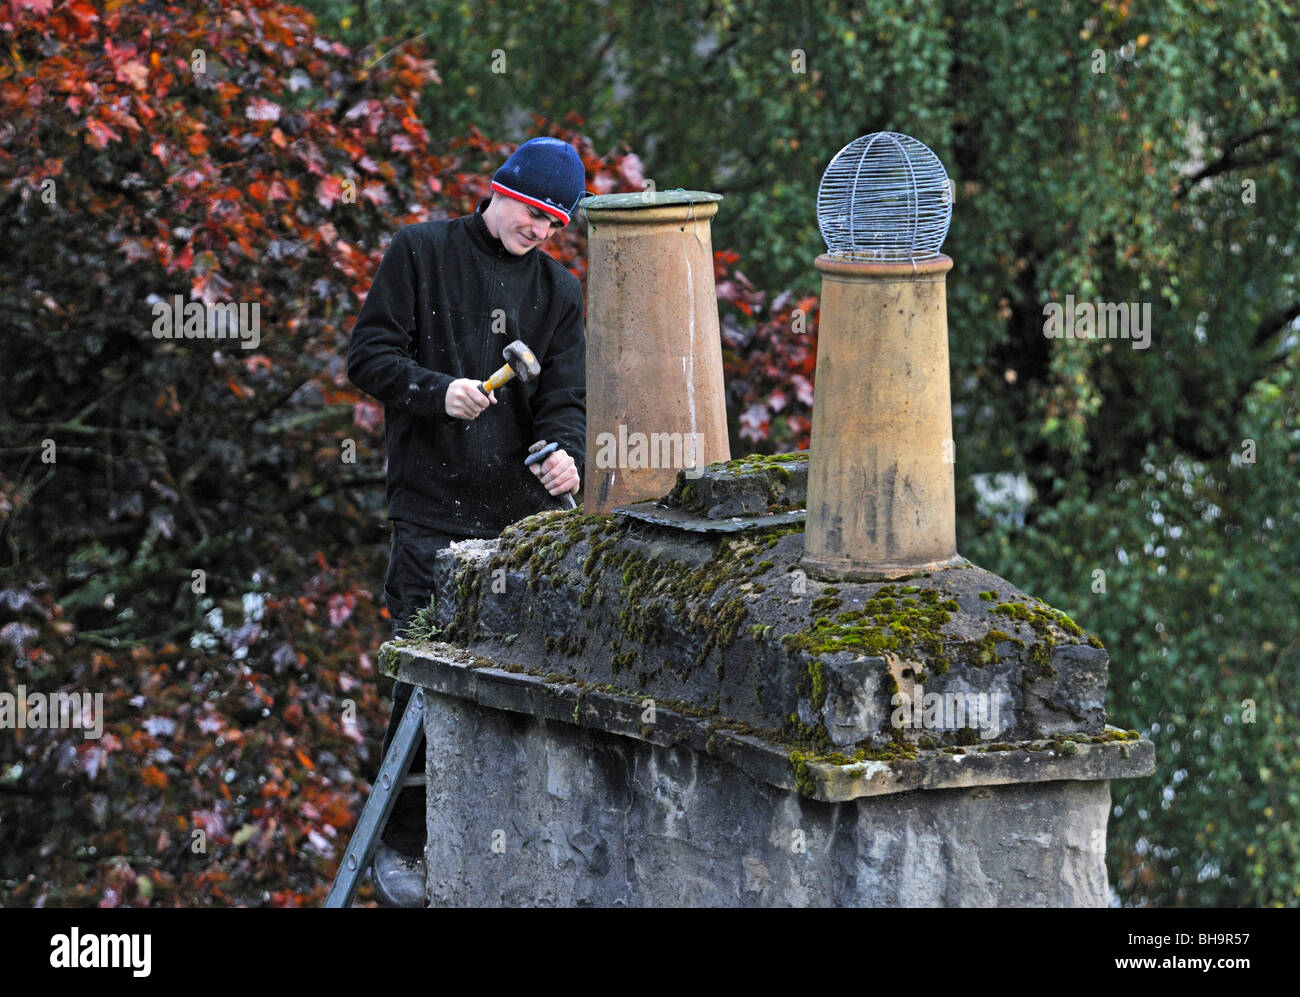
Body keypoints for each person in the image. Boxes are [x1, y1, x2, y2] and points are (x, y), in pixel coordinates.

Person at [346, 137, 589, 906]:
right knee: (424, 687)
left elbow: (564, 399)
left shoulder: (558, 292)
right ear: (499, 190)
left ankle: (511, 846)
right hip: (430, 517)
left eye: (557, 223)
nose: (542, 231)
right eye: (535, 213)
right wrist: (435, 390)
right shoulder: (418, 253)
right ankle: (403, 846)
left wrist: (566, 455)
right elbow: (367, 357)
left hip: (519, 528)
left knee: (514, 693)